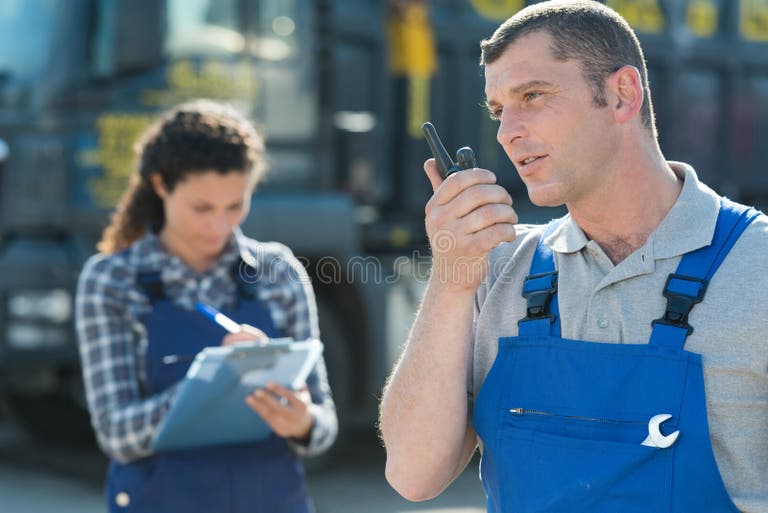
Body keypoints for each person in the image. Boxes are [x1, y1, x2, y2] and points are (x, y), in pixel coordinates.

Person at [379, 2, 768, 512]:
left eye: (532, 96)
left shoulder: (756, 262)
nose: (505, 132)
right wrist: (451, 280)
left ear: (621, 94)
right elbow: (413, 475)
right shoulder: (497, 268)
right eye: (498, 110)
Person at [76, 99, 337, 513]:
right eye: (202, 208)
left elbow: (324, 425)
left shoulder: (278, 272)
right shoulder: (111, 281)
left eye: (235, 206)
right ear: (161, 185)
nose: (219, 226)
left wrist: (302, 422)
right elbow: (116, 434)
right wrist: (214, 383)